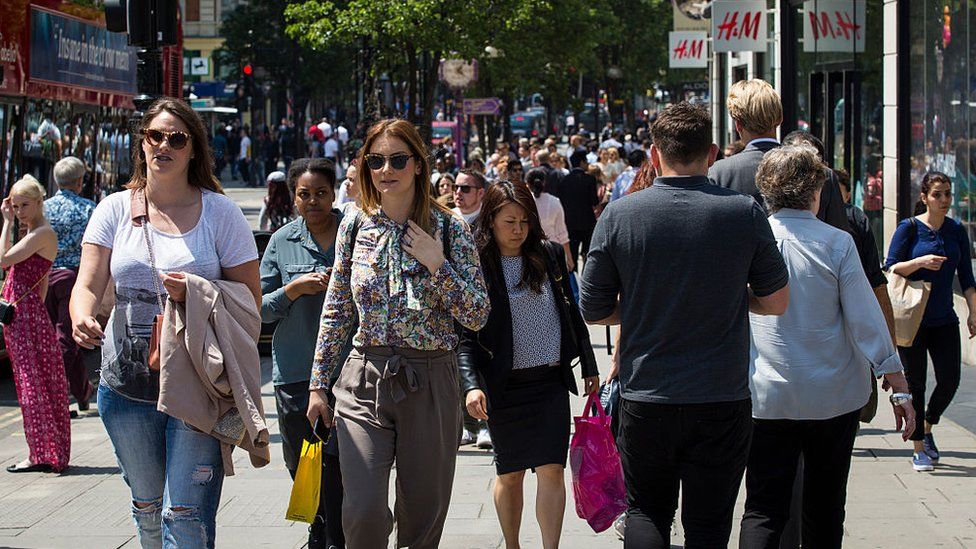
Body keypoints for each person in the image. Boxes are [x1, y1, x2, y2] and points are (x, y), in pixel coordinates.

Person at [579, 102, 790, 548]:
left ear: (654, 154)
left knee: (646, 513)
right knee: (709, 525)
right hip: (721, 395)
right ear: (712, 153)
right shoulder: (744, 212)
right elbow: (776, 302)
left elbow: (593, 309)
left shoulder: (620, 215)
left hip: (647, 393)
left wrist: (637, 307)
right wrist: (733, 298)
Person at [70, 98, 260, 548]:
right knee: (149, 505)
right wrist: (81, 316)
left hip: (198, 386)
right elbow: (88, 282)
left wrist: (193, 292)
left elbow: (250, 301)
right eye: (155, 136)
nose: (164, 146)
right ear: (143, 144)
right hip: (125, 388)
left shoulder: (220, 213)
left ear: (193, 149)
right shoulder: (114, 209)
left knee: (186, 514)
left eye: (177, 138)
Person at [306, 118, 489, 549]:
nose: (386, 169)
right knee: (363, 512)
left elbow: (478, 314)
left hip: (430, 380)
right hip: (364, 377)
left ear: (419, 165)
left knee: (421, 518)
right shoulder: (354, 225)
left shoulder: (449, 228)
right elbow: (336, 309)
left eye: (398, 159)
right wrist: (318, 385)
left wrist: (436, 264)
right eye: (375, 161)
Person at [738, 146, 915, 548]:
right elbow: (865, 319)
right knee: (826, 504)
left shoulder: (754, 240)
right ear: (815, 191)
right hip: (832, 398)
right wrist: (897, 381)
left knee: (763, 507)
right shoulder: (836, 243)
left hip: (766, 395)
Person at [458, 181, 599, 549]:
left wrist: (588, 364)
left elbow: (571, 309)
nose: (518, 229)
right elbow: (465, 335)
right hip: (504, 386)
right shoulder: (476, 264)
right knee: (511, 472)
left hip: (550, 380)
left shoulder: (548, 254)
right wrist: (472, 384)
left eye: (524, 221)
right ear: (490, 221)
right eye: (509, 221)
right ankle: (513, 544)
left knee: (553, 468)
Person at [261, 158, 347, 549]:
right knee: (303, 460)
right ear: (293, 196)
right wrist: (293, 289)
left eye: (321, 193)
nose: (313, 201)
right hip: (295, 368)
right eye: (304, 194)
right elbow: (258, 308)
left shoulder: (355, 231)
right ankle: (318, 523)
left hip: (349, 370)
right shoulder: (281, 241)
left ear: (334, 192)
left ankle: (336, 534)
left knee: (343, 461)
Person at [883, 171, 976, 471]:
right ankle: (919, 448)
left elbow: (968, 279)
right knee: (917, 384)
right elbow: (891, 267)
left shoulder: (956, 230)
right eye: (938, 194)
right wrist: (920, 263)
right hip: (913, 319)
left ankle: (928, 422)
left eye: (948, 193)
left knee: (950, 379)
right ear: (924, 197)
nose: (945, 200)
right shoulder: (909, 228)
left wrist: (974, 312)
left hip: (944, 318)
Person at [2, 175, 70, 473]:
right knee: (36, 383)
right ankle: (43, 451)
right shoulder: (36, 232)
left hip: (24, 318)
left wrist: (4, 222)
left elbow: (4, 260)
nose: (18, 211)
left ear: (40, 202)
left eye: (24, 205)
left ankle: (40, 453)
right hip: (27, 316)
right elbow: (41, 285)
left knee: (31, 385)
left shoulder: (42, 233)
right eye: (14, 207)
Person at [44, 157, 97, 415]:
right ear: (79, 182)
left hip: (45, 278)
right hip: (73, 279)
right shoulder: (89, 209)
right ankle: (61, 392)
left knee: (65, 337)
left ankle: (82, 391)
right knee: (67, 339)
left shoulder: (42, 209)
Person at [554, 150, 599, 271]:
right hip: (587, 222)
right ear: (582, 162)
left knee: (572, 254)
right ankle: (586, 277)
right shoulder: (590, 179)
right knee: (588, 253)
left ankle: (573, 281)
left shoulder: (564, 180)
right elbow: (594, 201)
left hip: (569, 222)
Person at [526, 168, 573, 272]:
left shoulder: (524, 203)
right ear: (544, 183)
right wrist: (569, 258)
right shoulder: (555, 201)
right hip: (553, 251)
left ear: (528, 184)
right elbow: (562, 233)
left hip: (530, 252)